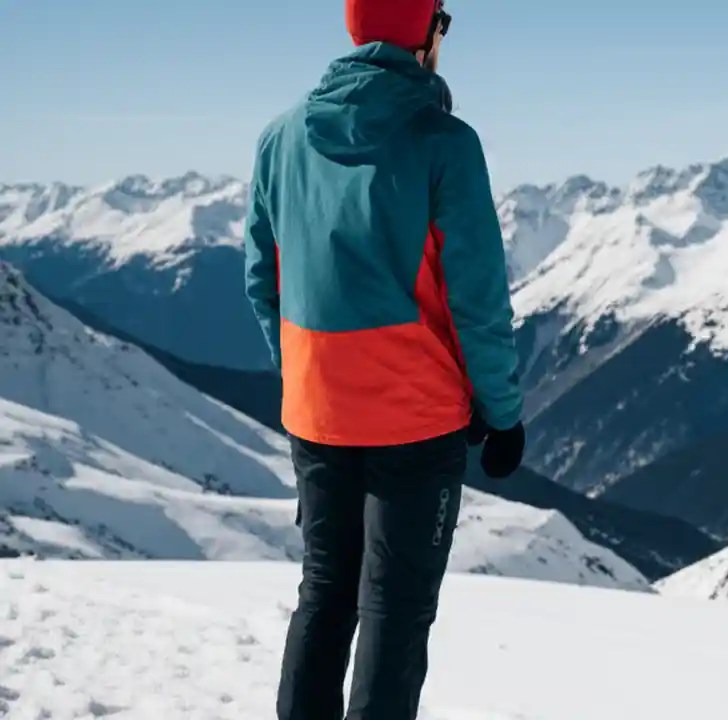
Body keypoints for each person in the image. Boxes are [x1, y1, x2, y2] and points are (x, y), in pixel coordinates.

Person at [242, 0, 525, 717]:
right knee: (394, 613)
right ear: (425, 31)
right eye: (443, 20)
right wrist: (501, 412)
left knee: (324, 596)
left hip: (317, 413)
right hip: (414, 420)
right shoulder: (444, 143)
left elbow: (261, 279)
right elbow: (477, 298)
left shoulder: (279, 138)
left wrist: (306, 373)